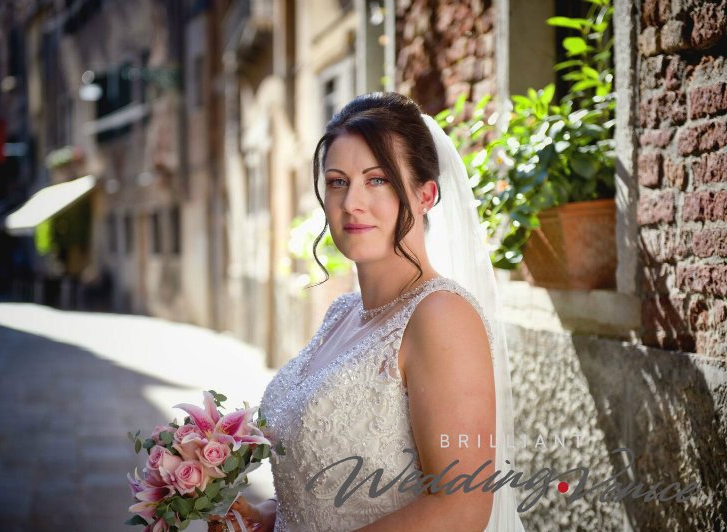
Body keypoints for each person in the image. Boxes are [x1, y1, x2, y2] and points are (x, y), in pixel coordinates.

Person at [208, 92, 524, 532]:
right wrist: (265, 518)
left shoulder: (440, 317)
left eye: (377, 180)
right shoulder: (341, 313)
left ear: (425, 195)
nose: (351, 202)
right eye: (338, 181)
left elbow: (460, 510)